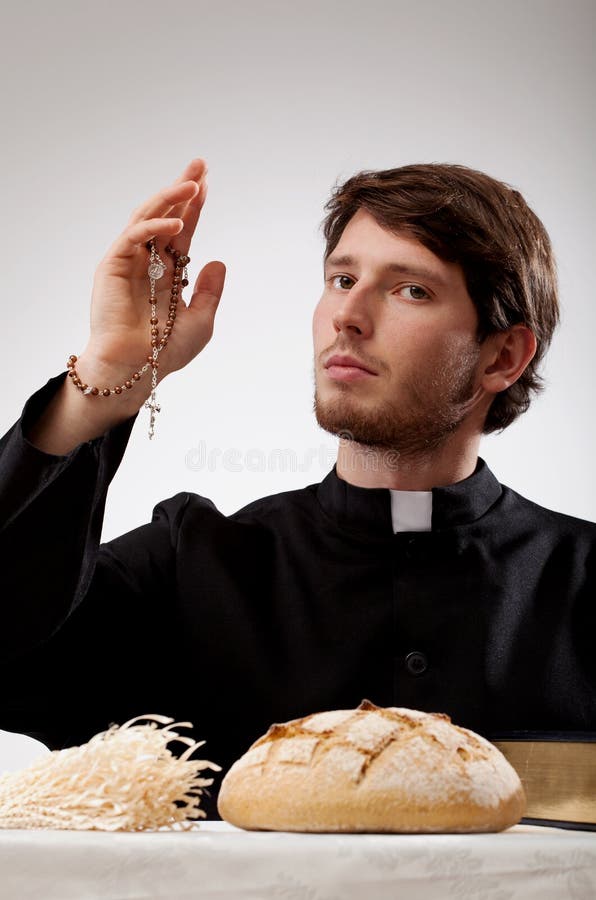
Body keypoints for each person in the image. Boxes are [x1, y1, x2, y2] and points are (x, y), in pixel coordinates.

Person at [0, 158, 594, 820]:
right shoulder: (192, 566)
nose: (349, 315)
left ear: (502, 357)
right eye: (342, 279)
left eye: (411, 291)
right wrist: (101, 383)